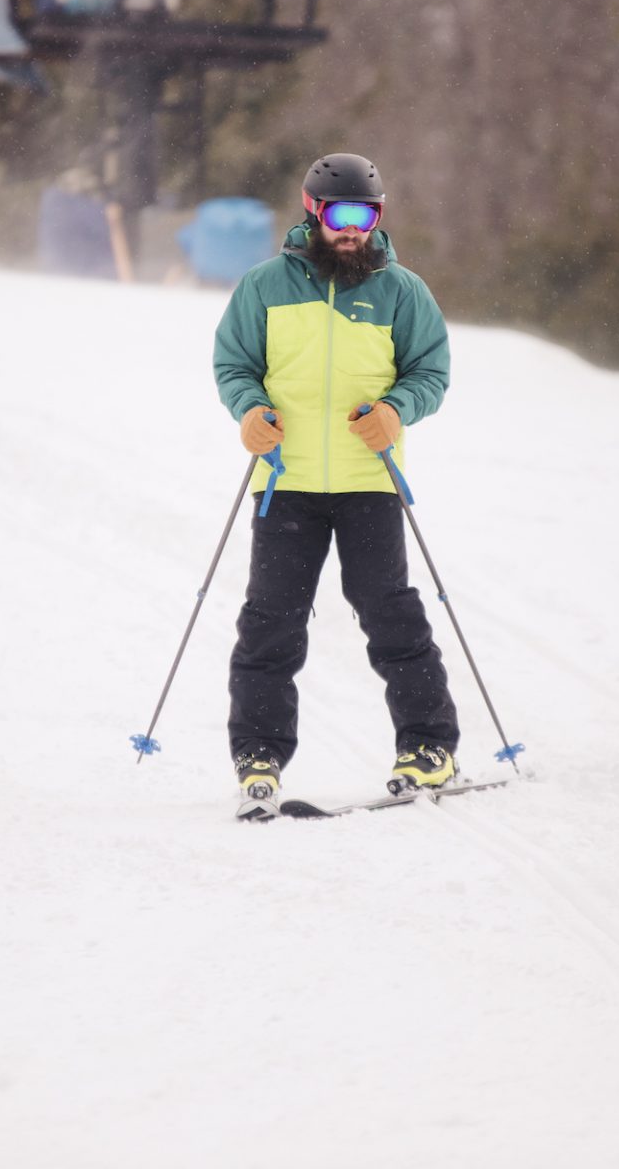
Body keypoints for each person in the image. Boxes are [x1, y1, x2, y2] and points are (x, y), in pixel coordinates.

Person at [212, 153, 459, 817]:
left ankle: (429, 746)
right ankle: (259, 754)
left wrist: (396, 410)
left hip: (368, 481)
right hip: (284, 480)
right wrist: (250, 412)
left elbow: (430, 372)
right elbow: (234, 365)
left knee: (390, 613)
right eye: (343, 214)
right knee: (271, 620)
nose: (354, 230)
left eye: (367, 217)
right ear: (313, 210)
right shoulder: (263, 287)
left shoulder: (401, 290)